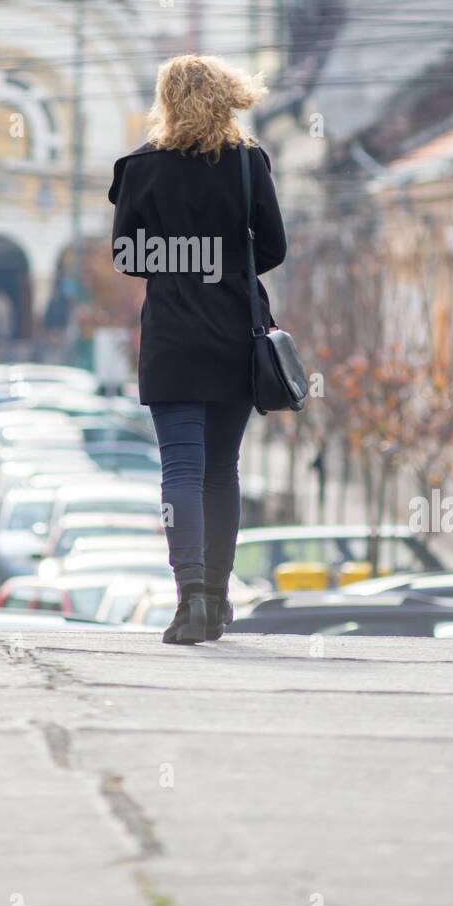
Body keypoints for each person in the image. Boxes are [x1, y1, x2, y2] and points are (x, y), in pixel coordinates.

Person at [108, 54, 287, 646]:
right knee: (221, 473)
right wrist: (227, 264)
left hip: (172, 340)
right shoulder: (247, 163)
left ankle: (190, 604)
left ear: (165, 101)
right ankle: (216, 597)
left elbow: (129, 256)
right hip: (235, 336)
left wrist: (179, 262)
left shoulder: (141, 168)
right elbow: (276, 249)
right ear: (226, 95)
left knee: (180, 472)